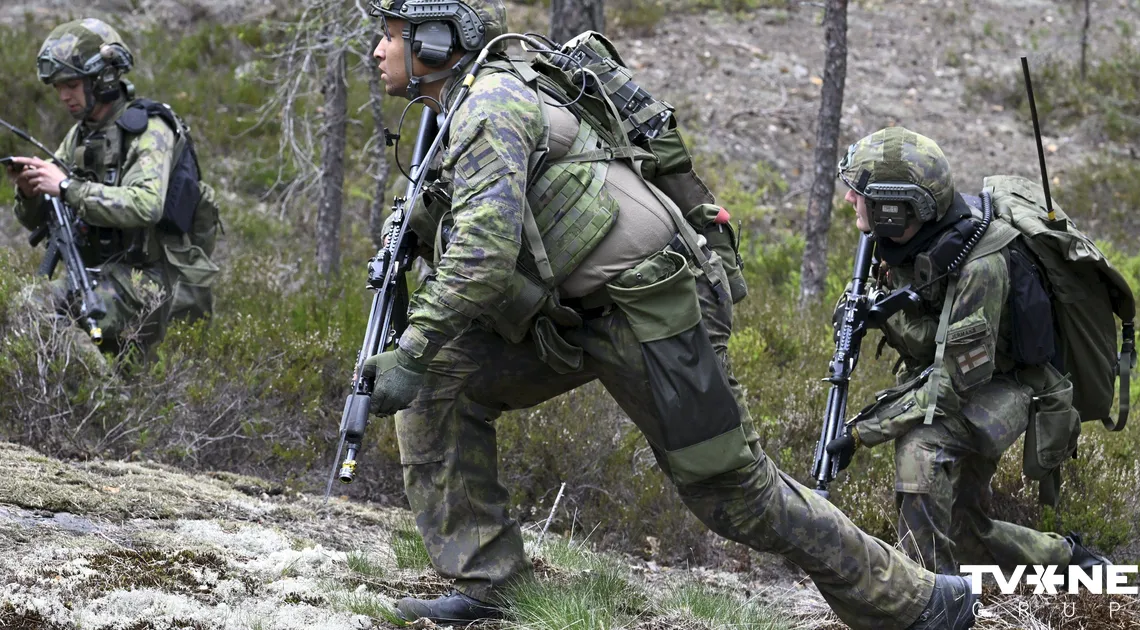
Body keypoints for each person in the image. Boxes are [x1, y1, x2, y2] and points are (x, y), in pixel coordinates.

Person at [363, 1, 975, 628]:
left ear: (435, 42)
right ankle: (488, 582)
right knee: (439, 385)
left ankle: (924, 601)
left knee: (735, 494)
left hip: (658, 308)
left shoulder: (490, 105)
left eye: (391, 36)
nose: (379, 51)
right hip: (576, 313)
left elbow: (483, 255)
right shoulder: (465, 104)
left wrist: (412, 349)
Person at [830, 126, 1112, 576]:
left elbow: (952, 387)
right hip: (955, 373)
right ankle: (1067, 560)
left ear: (898, 207)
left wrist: (862, 431)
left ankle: (931, 598)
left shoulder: (980, 265)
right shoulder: (898, 239)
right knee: (963, 531)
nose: (849, 199)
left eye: (861, 193)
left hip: (1007, 384)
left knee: (920, 451)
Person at [5, 18, 219, 358]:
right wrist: (31, 193)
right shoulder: (81, 135)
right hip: (102, 274)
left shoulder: (149, 129)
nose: (64, 96)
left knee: (57, 317)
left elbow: (146, 205)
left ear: (103, 78)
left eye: (72, 84)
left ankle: (99, 393)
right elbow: (40, 218)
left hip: (150, 280)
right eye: (58, 87)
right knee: (25, 307)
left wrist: (66, 186)